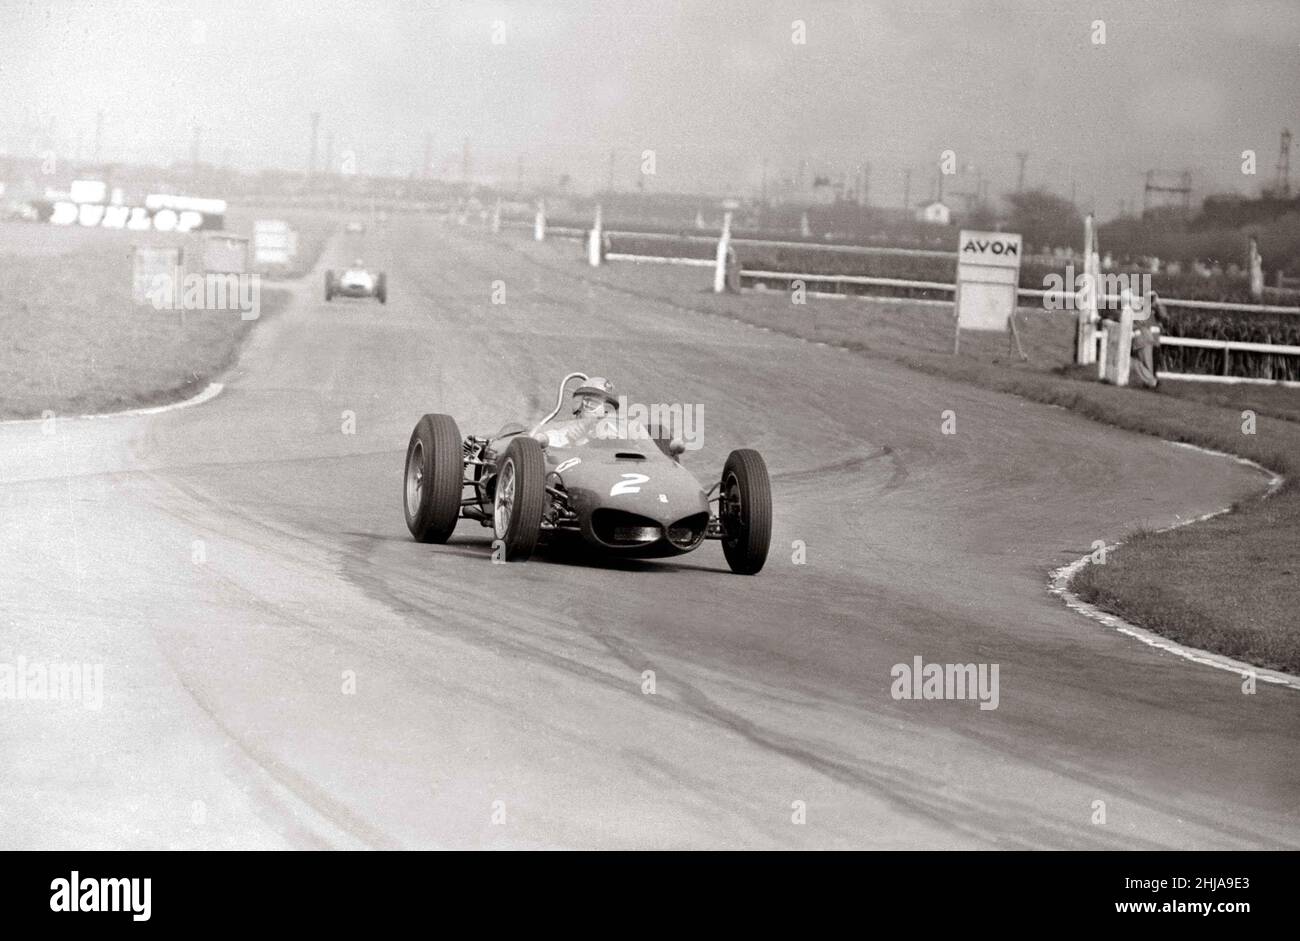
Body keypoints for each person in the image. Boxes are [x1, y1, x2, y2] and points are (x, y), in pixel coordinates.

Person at [541, 376, 621, 448]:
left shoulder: (612, 440)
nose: (601, 414)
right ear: (579, 406)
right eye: (593, 404)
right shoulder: (557, 437)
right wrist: (573, 442)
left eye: (607, 409)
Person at [1129, 291, 1166, 389]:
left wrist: (1157, 303)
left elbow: (1163, 316)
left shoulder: (1154, 312)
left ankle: (1151, 382)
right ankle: (1151, 382)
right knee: (1145, 363)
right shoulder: (1145, 311)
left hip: (1152, 341)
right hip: (1149, 340)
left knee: (1148, 364)